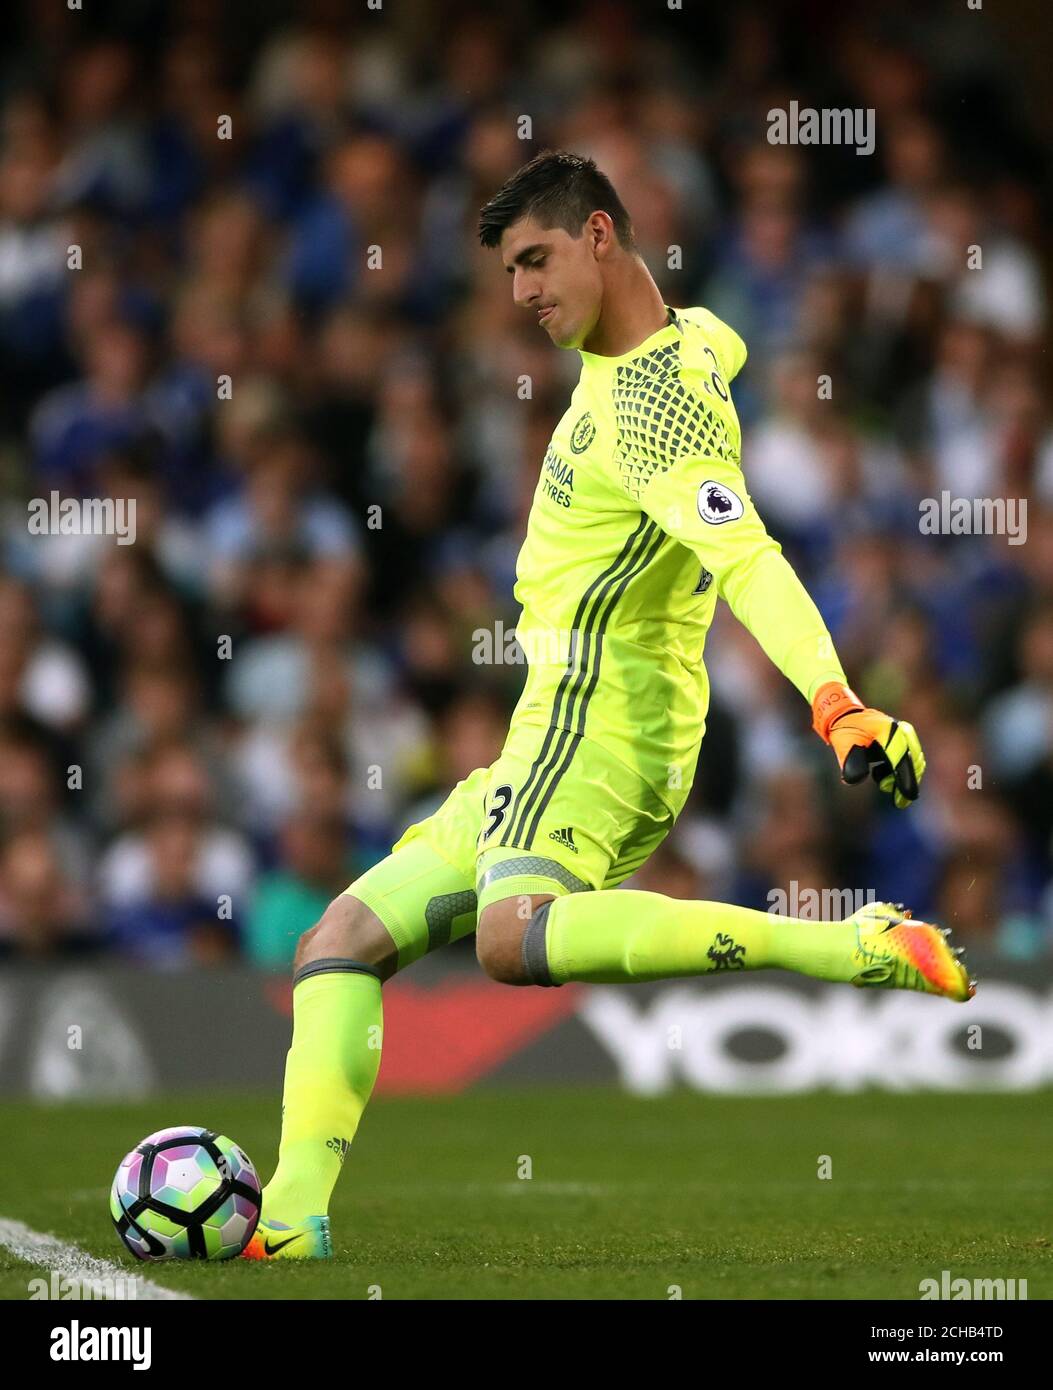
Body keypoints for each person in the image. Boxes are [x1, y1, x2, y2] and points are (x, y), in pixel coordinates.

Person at [244, 151, 973, 1262]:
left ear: (599, 235)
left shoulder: (657, 409)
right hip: (550, 720)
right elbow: (717, 337)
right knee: (337, 943)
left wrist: (838, 706)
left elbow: (749, 560)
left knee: (509, 938)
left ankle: (838, 943)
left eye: (536, 259)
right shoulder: (664, 350)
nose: (523, 293)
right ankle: (292, 1221)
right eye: (508, 273)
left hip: (605, 714)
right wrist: (709, 344)